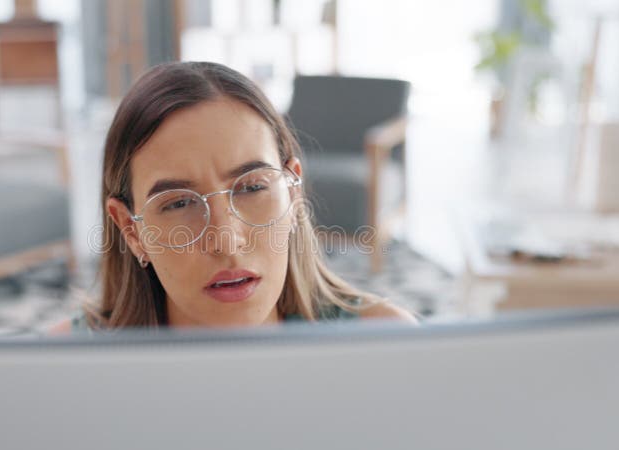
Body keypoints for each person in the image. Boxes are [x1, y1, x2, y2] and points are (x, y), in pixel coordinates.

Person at [56, 61, 416, 332]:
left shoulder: (386, 342)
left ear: (292, 193)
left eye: (252, 187)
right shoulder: (62, 369)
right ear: (131, 230)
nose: (226, 240)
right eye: (179, 203)